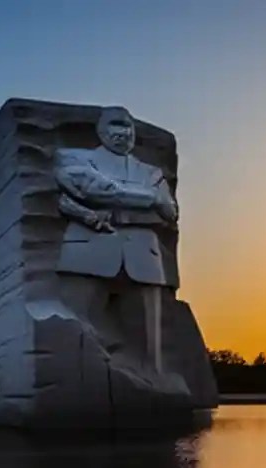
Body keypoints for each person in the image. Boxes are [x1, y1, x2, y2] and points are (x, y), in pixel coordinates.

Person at [54, 106, 178, 374]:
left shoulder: (152, 172)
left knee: (150, 342)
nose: (123, 133)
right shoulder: (74, 157)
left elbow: (170, 210)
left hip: (144, 253)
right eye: (115, 125)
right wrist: (149, 198)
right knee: (74, 326)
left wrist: (124, 196)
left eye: (127, 127)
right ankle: (78, 380)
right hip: (87, 247)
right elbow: (90, 189)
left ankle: (151, 385)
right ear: (100, 130)